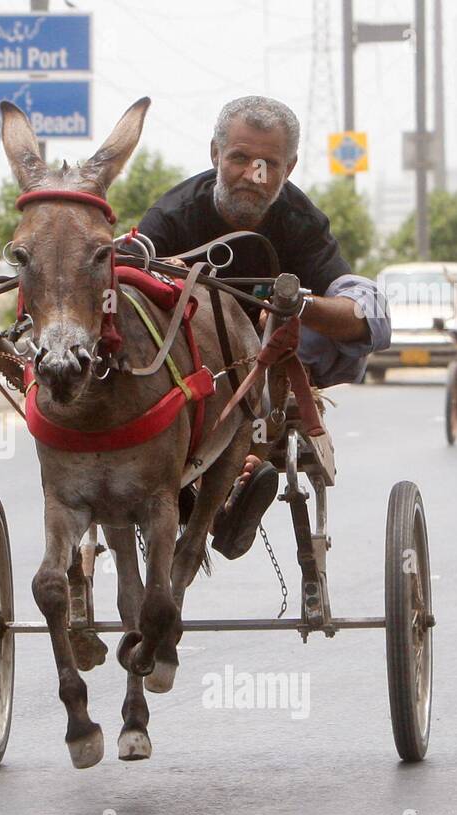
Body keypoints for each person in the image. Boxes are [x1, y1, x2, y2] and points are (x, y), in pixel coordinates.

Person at [137, 95, 390, 560]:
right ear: (215, 154)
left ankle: (241, 476)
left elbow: (362, 310)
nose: (253, 175)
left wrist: (299, 305)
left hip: (265, 379)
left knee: (297, 338)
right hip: (189, 381)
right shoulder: (172, 215)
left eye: (267, 164)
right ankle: (222, 494)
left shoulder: (300, 221)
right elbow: (128, 276)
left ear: (288, 168)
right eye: (239, 158)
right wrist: (151, 269)